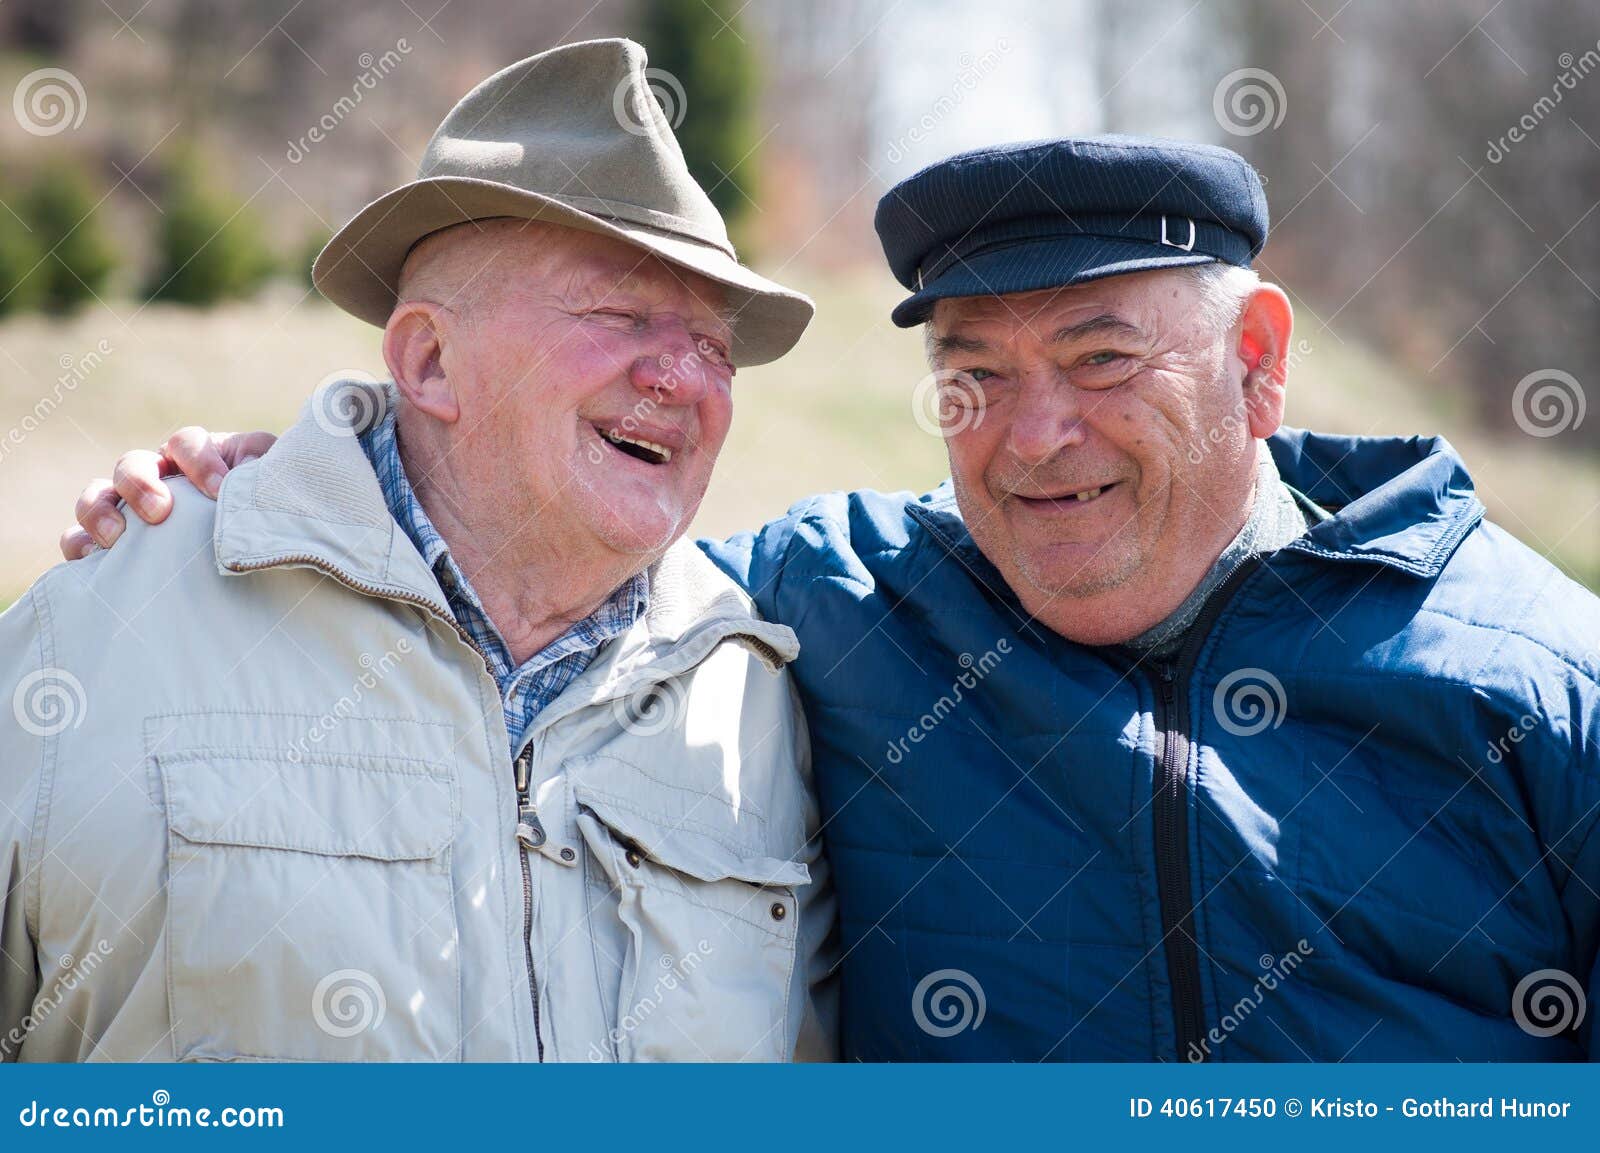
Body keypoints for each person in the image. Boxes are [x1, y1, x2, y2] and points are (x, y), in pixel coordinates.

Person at [55, 131, 1600, 1061]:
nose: (1033, 436)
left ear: (1257, 360)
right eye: (973, 376)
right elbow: (537, 548)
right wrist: (282, 487)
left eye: (1103, 360)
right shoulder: (846, 604)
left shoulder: (1535, 676)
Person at [0, 39, 836, 1063]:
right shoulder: (97, 631)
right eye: (620, 314)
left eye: (715, 345)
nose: (682, 376)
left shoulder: (754, 696)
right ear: (430, 361)